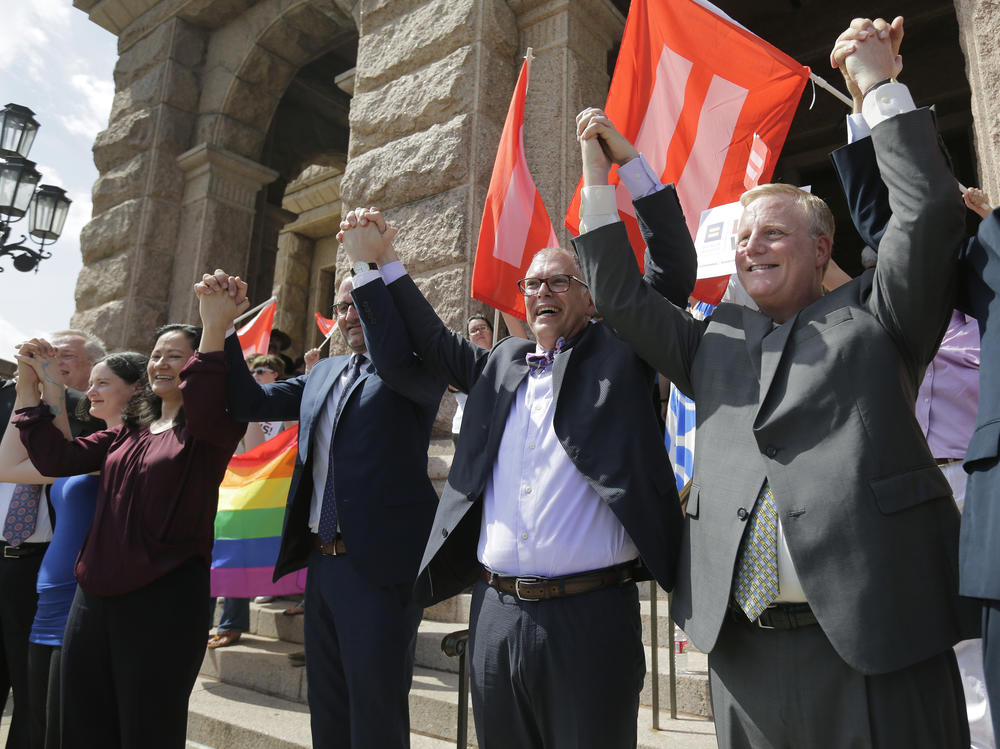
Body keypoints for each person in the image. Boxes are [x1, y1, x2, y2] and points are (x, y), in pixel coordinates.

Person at [572, 17, 978, 748]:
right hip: (744, 653)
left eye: (774, 232)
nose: (751, 244)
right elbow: (621, 298)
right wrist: (605, 177)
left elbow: (927, 215)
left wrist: (880, 87)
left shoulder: (880, 317)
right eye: (744, 235)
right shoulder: (711, 343)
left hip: (876, 647)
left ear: (822, 248)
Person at [338, 193, 693, 748]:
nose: (541, 292)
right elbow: (426, 341)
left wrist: (621, 175)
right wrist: (376, 262)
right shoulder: (502, 363)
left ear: (592, 296)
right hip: (496, 615)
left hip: (591, 617)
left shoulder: (621, 353)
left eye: (558, 282)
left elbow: (671, 273)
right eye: (532, 284)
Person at [193, 269, 444, 749]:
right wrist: (222, 327)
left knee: (375, 710)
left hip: (381, 570)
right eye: (345, 306)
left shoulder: (414, 367)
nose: (351, 315)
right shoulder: (324, 372)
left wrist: (373, 270)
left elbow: (396, 352)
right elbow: (246, 400)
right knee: (328, 709)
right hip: (322, 565)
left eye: (363, 304)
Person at [13, 321, 245, 749]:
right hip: (92, 599)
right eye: (156, 354)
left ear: (199, 364)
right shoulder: (129, 430)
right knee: (80, 725)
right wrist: (35, 386)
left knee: (144, 729)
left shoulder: (212, 427)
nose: (159, 363)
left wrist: (214, 321)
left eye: (175, 356)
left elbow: (211, 381)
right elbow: (56, 457)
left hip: (163, 600)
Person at [0, 351, 146, 749]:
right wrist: (31, 390)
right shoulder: (93, 446)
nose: (88, 392)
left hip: (84, 598)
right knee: (41, 724)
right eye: (91, 382)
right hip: (49, 597)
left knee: (67, 728)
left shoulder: (129, 447)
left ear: (137, 390)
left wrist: (48, 386)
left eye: (102, 383)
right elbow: (8, 465)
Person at [0, 330, 105, 749]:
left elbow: (60, 461)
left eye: (63, 356)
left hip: (45, 565)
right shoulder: (8, 399)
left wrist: (53, 394)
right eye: (42, 353)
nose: (50, 360)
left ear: (90, 367)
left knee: (33, 690)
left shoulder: (94, 414)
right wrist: (29, 386)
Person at [209, 352, 295, 648]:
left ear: (276, 375)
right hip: (232, 485)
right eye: (252, 371)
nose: (256, 375)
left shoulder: (283, 406)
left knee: (238, 550)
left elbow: (260, 449)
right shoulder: (232, 405)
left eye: (262, 370)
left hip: (264, 489)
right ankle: (213, 622)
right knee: (224, 551)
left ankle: (231, 622)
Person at [449, 315, 493, 447]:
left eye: (482, 328)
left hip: (493, 429)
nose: (479, 332)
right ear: (469, 337)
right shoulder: (461, 361)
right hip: (465, 429)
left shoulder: (501, 357)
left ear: (491, 331)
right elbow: (453, 385)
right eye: (474, 330)